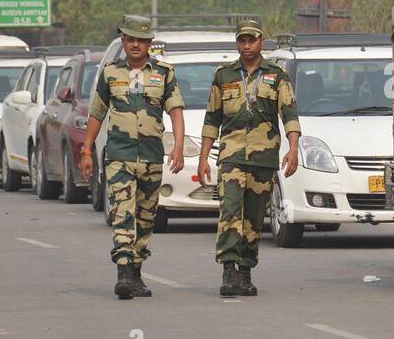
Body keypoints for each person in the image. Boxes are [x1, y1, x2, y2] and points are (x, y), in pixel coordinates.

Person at [81, 15, 185, 300]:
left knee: (146, 216)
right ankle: (124, 271)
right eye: (130, 40)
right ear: (123, 42)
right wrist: (87, 151)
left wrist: (177, 145)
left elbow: (175, 110)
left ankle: (136, 271)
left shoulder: (164, 73)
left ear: (149, 43)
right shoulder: (110, 73)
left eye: (141, 40)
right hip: (120, 157)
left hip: (151, 157)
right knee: (123, 213)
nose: (135, 45)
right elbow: (97, 113)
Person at [197, 20, 300, 297]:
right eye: (242, 40)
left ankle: (245, 271)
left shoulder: (277, 76)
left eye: (251, 40)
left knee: (254, 218)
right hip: (231, 157)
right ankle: (228, 269)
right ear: (237, 42)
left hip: (263, 159)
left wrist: (292, 149)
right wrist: (204, 157)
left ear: (260, 42)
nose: (246, 46)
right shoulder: (224, 75)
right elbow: (212, 118)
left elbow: (289, 115)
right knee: (230, 212)